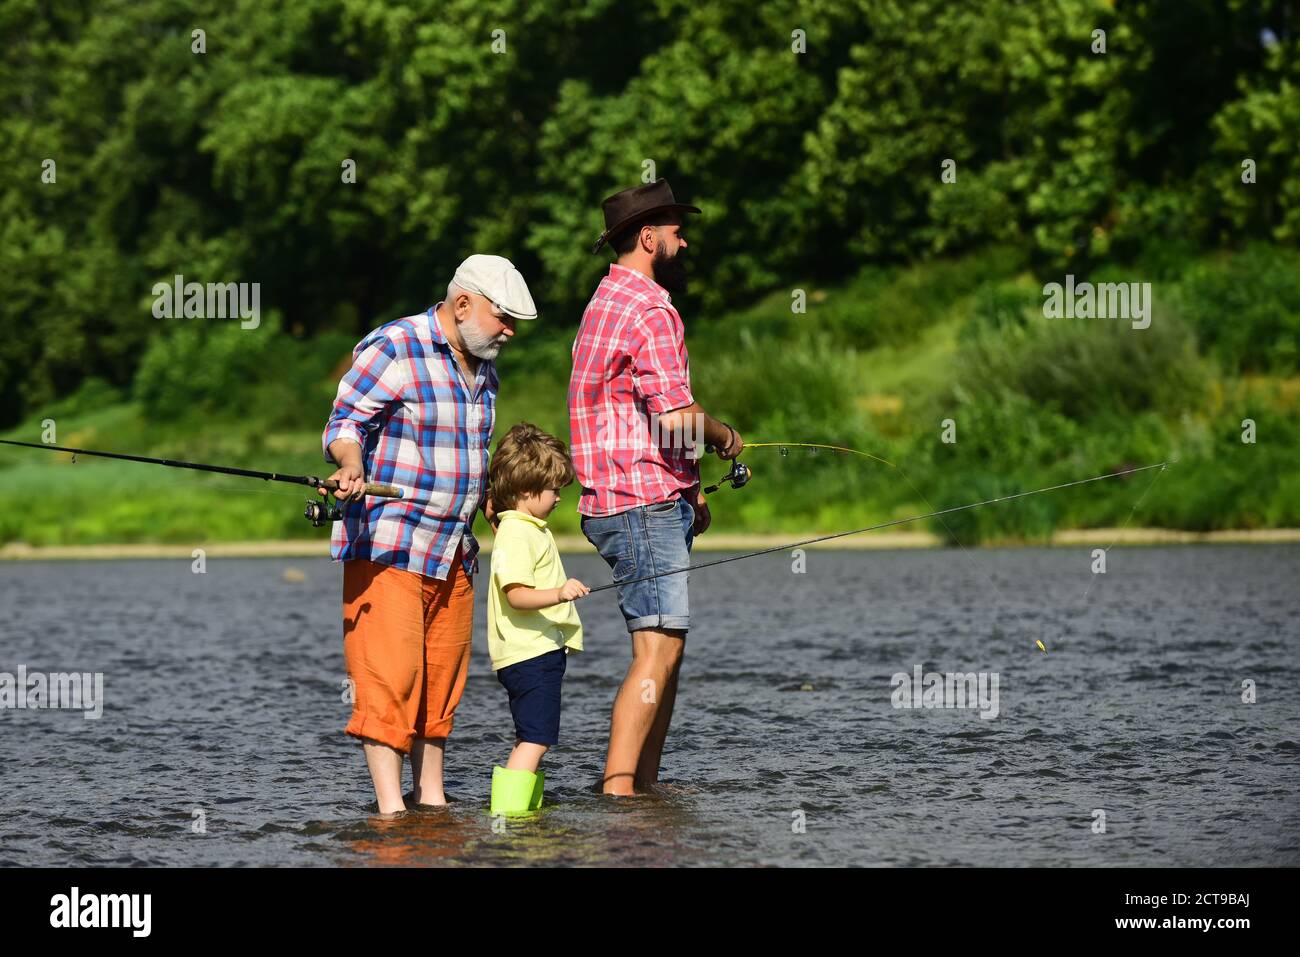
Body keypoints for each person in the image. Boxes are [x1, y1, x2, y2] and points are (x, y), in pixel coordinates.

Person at [321, 254, 537, 815]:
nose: (510, 331)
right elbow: (344, 424)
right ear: (463, 304)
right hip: (390, 545)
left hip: (454, 550)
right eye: (504, 317)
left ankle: (432, 801)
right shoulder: (395, 345)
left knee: (441, 682)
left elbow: (467, 451)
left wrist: (485, 500)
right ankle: (392, 813)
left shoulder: (484, 365)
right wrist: (349, 465)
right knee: (390, 680)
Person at [569, 179, 745, 796]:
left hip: (636, 498)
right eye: (676, 230)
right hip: (639, 502)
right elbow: (674, 415)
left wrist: (690, 488)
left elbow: (640, 415)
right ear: (649, 238)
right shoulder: (648, 308)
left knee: (666, 650)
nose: (684, 240)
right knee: (656, 653)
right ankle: (619, 797)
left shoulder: (604, 301)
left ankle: (643, 792)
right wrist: (724, 436)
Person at [484, 423, 589, 813]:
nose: (560, 497)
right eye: (554, 490)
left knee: (532, 735)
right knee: (536, 738)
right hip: (529, 655)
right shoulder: (517, 533)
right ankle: (508, 817)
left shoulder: (526, 527)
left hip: (539, 653)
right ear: (527, 492)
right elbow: (517, 595)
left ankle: (526, 813)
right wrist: (559, 593)